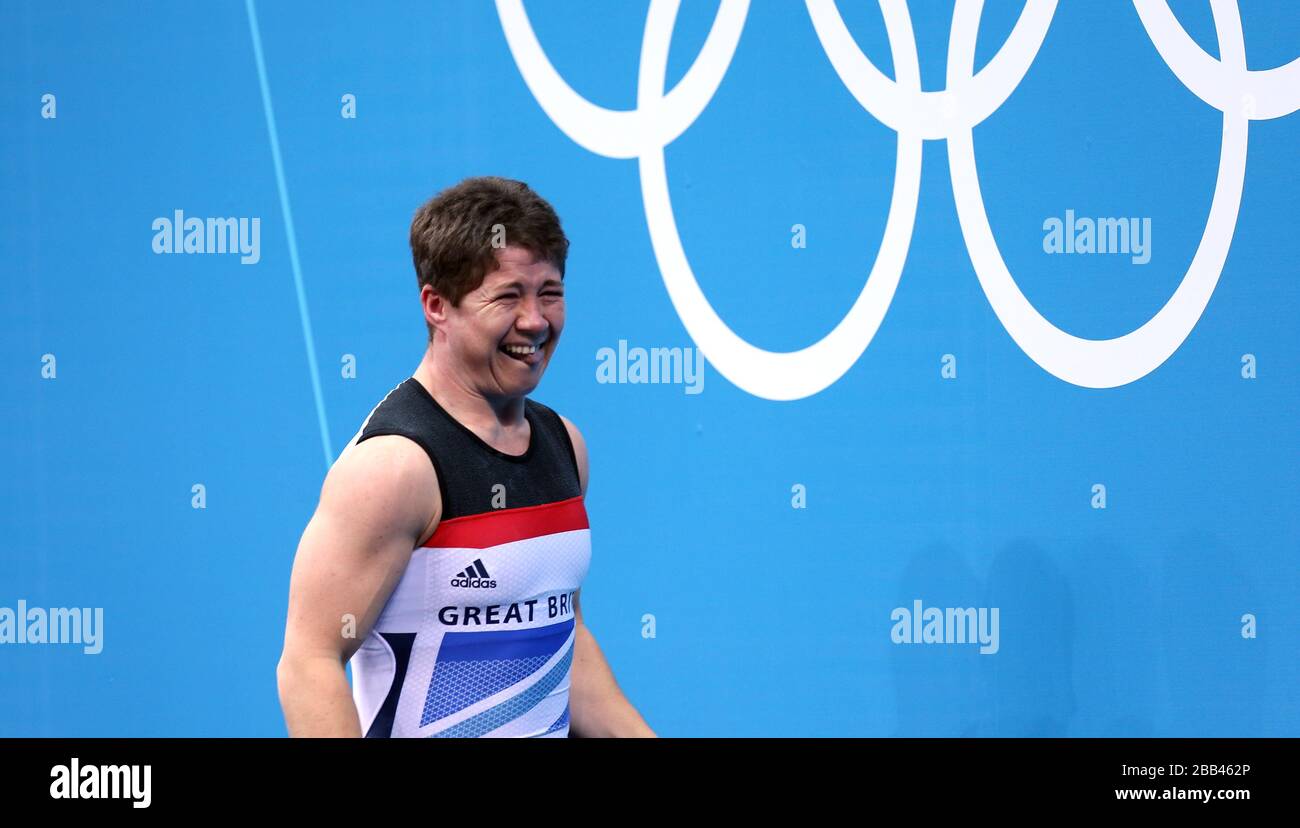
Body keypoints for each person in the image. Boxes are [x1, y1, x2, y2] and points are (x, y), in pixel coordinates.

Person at [276, 176, 655, 738]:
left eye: (549, 291)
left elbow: (561, 644)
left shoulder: (565, 447)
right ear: (436, 305)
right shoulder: (395, 468)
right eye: (507, 296)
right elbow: (309, 664)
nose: (535, 320)